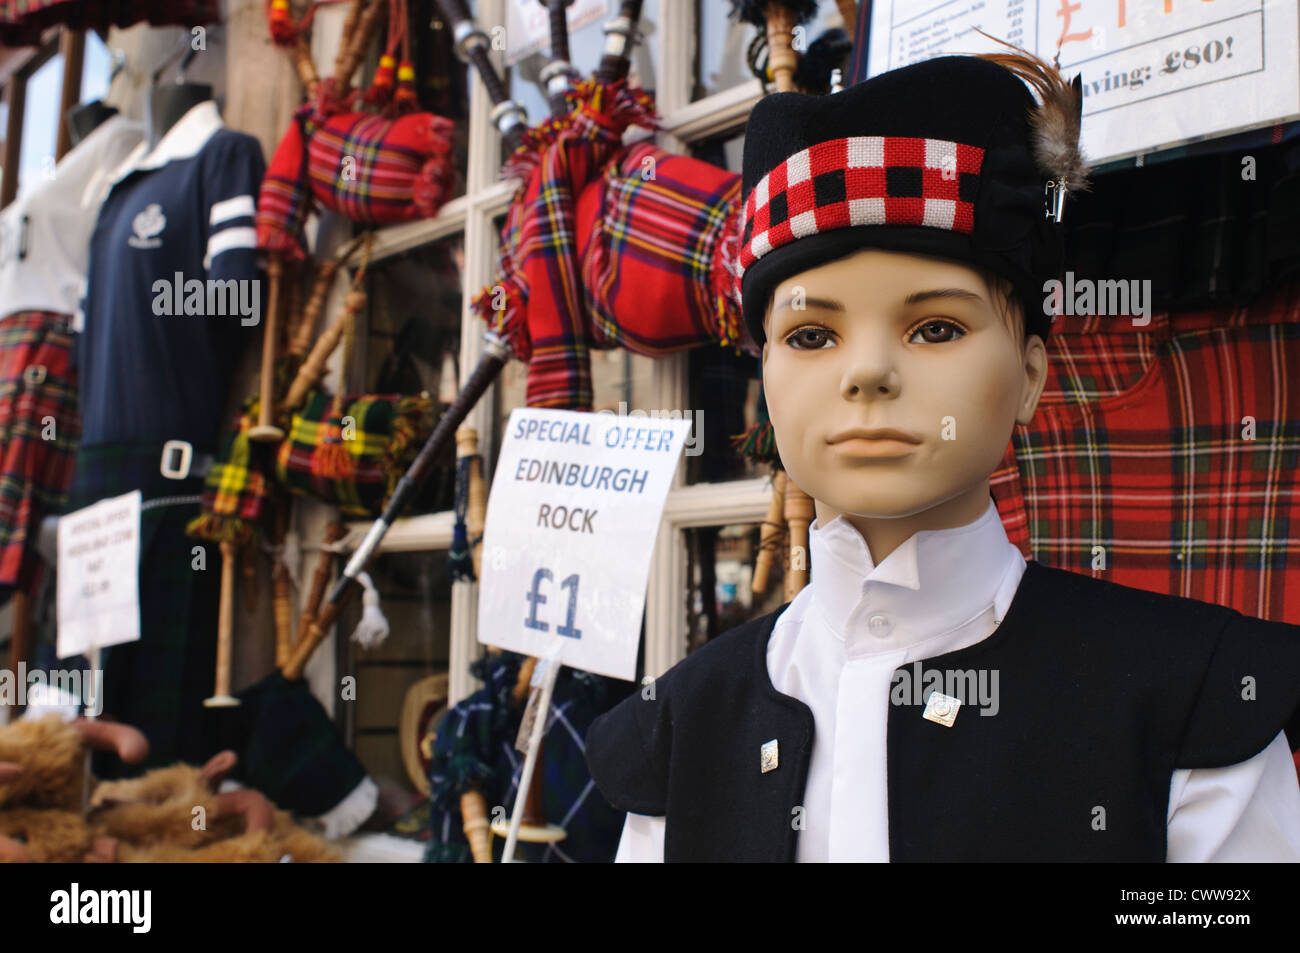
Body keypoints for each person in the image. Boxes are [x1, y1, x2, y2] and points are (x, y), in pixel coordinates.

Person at [583, 50, 1300, 862]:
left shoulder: (1193, 707)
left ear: (1029, 375)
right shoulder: (679, 731)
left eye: (936, 328)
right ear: (766, 377)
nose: (867, 372)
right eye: (811, 335)